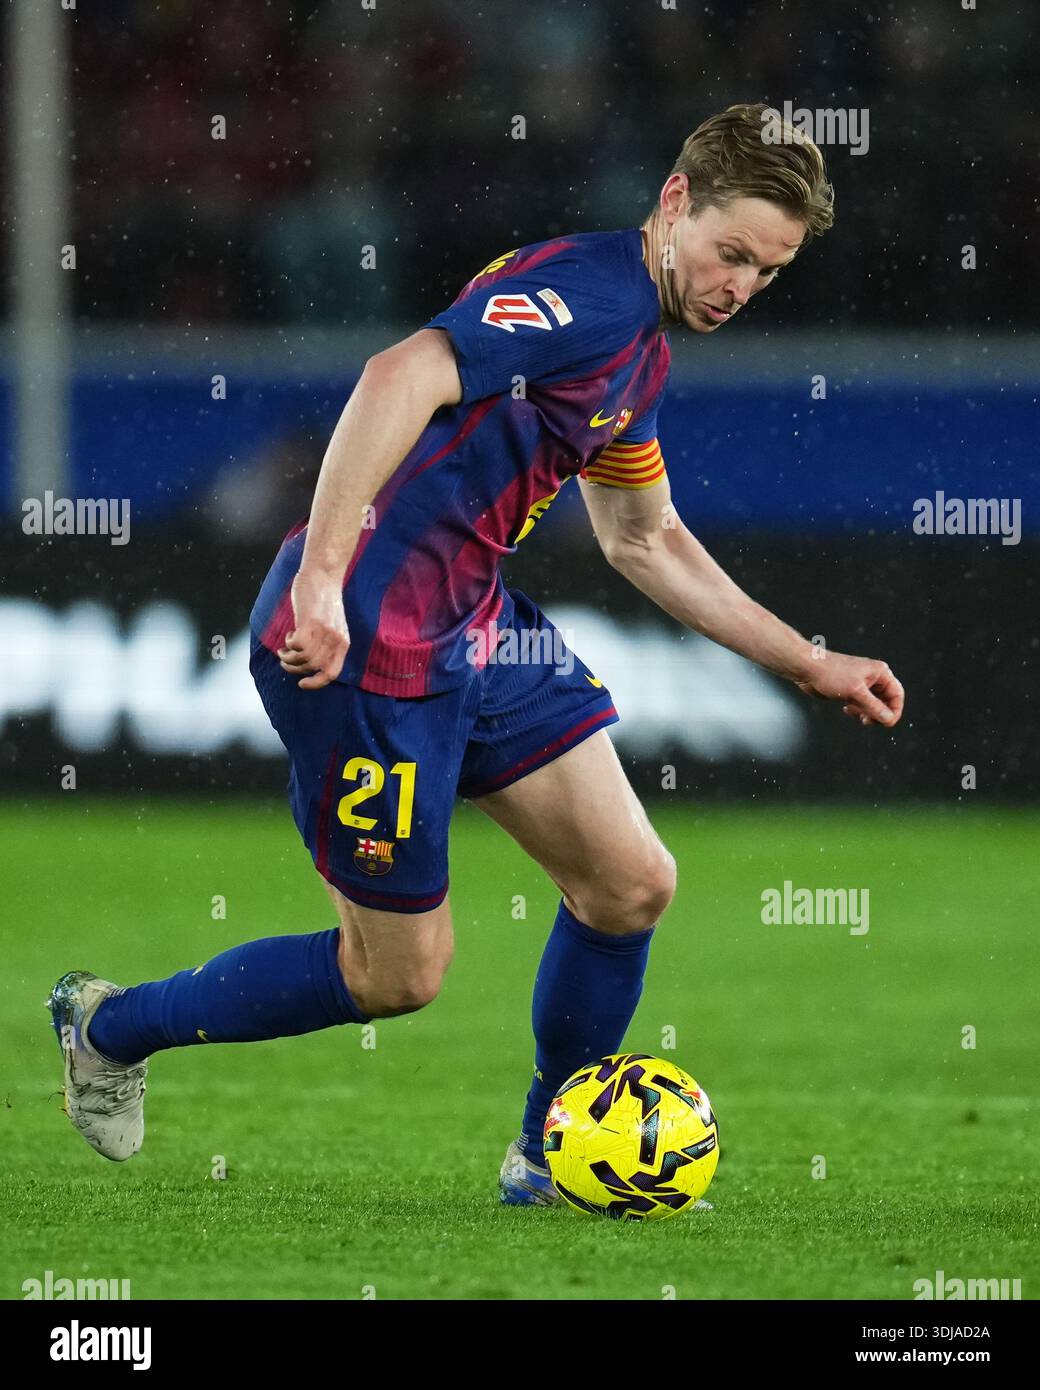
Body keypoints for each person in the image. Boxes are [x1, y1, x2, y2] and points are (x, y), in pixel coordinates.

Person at [49, 104, 904, 1207]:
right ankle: (110, 1027)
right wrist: (320, 575)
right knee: (396, 977)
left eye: (768, 271)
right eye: (731, 251)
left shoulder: (635, 353)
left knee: (629, 884)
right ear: (674, 201)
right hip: (364, 643)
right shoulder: (589, 298)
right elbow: (400, 373)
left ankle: (547, 1149)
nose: (740, 285)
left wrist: (808, 661)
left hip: (475, 623)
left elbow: (641, 536)